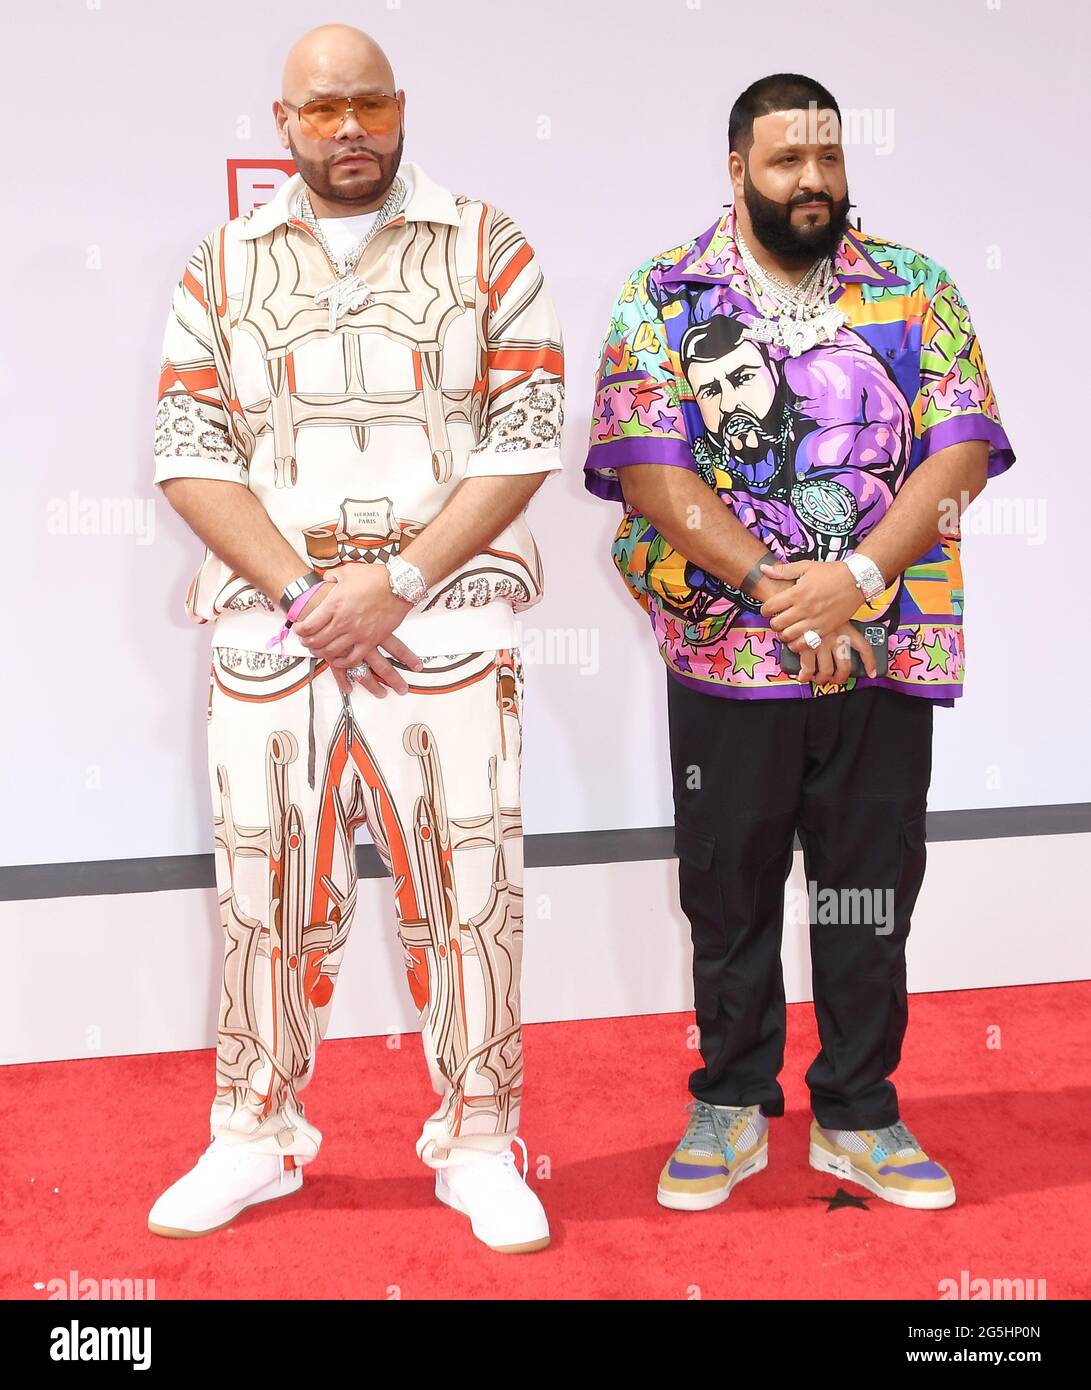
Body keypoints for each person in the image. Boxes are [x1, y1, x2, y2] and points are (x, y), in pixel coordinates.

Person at [148, 23, 564, 1254]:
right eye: (321, 111)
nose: (349, 130)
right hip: (268, 636)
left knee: (472, 887)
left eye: (369, 105)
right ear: (280, 124)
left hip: (450, 617)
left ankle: (482, 1141)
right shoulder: (220, 264)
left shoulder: (489, 244)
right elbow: (187, 457)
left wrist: (400, 579)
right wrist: (307, 599)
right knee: (257, 890)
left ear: (400, 106)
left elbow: (526, 432)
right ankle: (250, 1135)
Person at [583, 73, 1014, 1213]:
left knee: (865, 890)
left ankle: (858, 1112)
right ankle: (727, 1101)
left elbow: (955, 457)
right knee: (726, 892)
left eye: (826, 158)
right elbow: (653, 479)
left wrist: (858, 580)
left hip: (884, 650)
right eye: (786, 161)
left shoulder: (913, 290)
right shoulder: (661, 299)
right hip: (728, 662)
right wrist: (790, 594)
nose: (812, 180)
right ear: (737, 169)